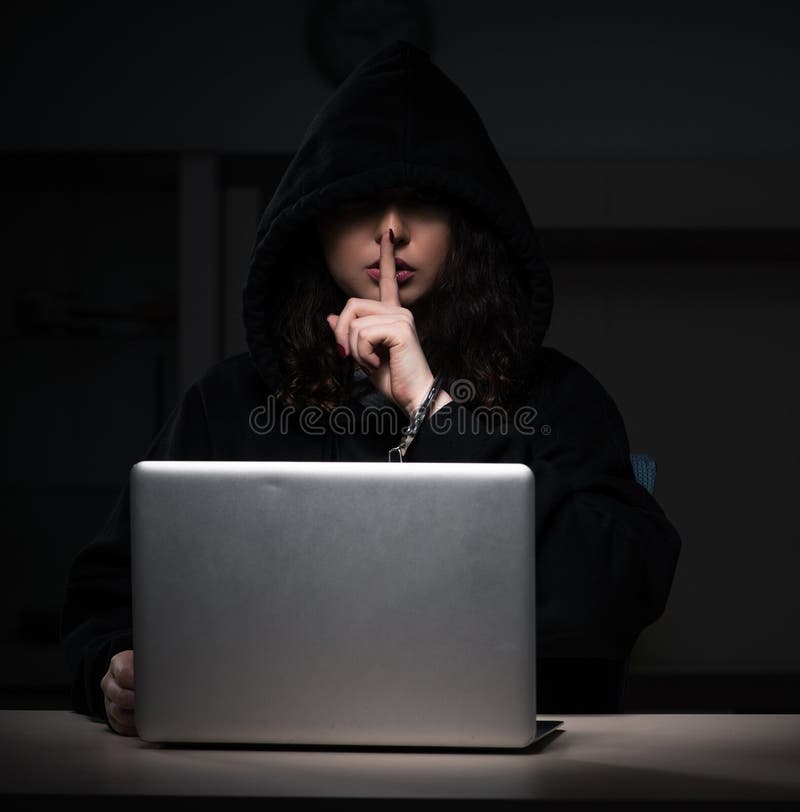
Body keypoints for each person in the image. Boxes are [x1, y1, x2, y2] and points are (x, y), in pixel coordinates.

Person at [60, 40, 682, 737]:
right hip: (264, 757)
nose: (390, 230)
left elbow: (609, 602)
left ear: (468, 226)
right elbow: (103, 603)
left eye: (421, 203)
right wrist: (111, 666)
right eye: (359, 204)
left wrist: (432, 406)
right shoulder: (230, 401)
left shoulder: (557, 396)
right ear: (314, 227)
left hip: (501, 761)